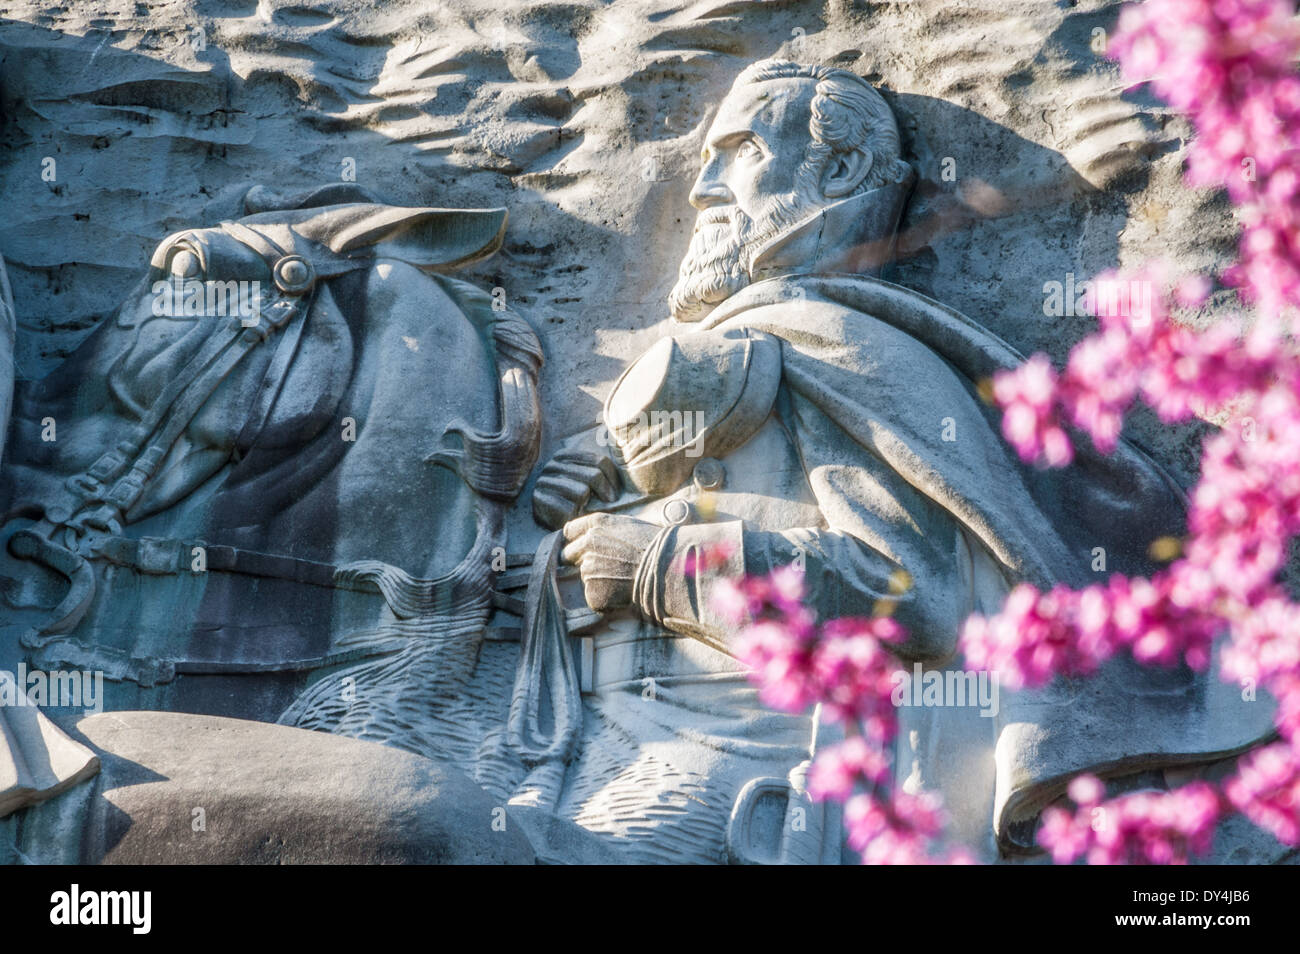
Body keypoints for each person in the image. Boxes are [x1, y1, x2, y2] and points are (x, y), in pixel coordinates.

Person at [530, 60, 1274, 862]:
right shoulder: (756, 345)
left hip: (741, 771)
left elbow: (909, 600)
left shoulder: (842, 349)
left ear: (840, 170)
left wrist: (660, 564)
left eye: (736, 151)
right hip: (594, 741)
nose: (702, 186)